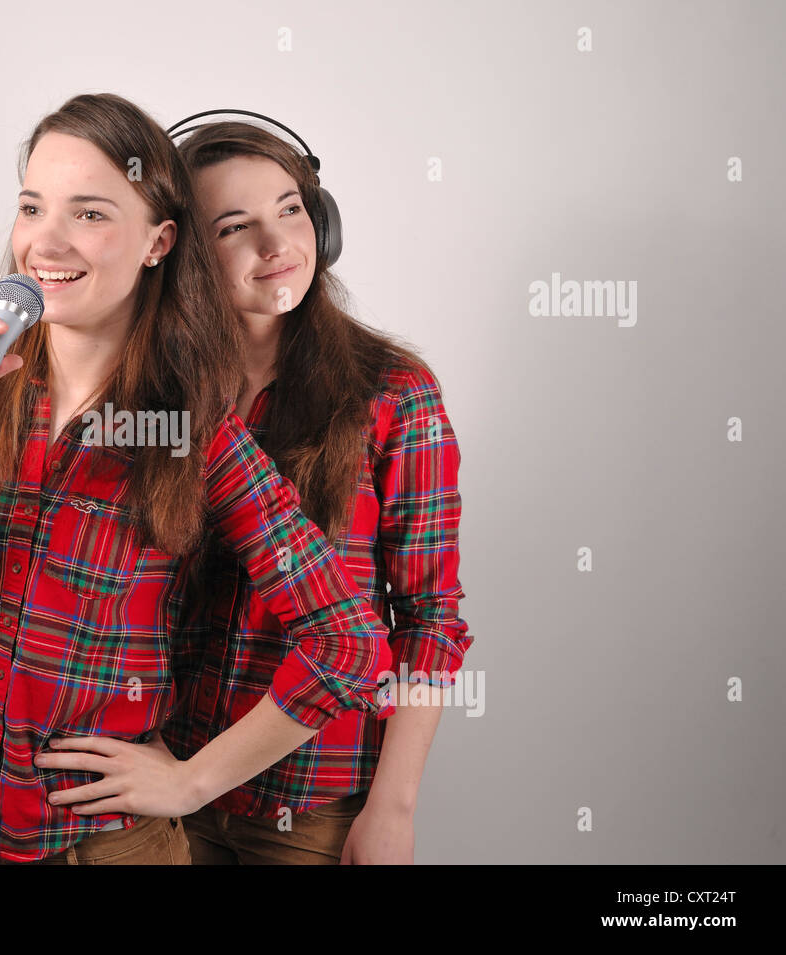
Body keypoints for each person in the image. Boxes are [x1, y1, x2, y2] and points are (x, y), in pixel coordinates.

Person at [0, 94, 393, 865]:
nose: (44, 242)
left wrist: (191, 784)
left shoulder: (193, 431)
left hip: (105, 847)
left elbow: (348, 643)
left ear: (158, 242)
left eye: (89, 214)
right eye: (32, 207)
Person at [159, 119, 473, 864]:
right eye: (236, 226)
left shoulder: (395, 392)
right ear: (184, 254)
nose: (277, 246)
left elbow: (428, 618)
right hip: (163, 789)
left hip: (316, 805)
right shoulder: (157, 397)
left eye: (291, 209)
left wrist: (393, 807)